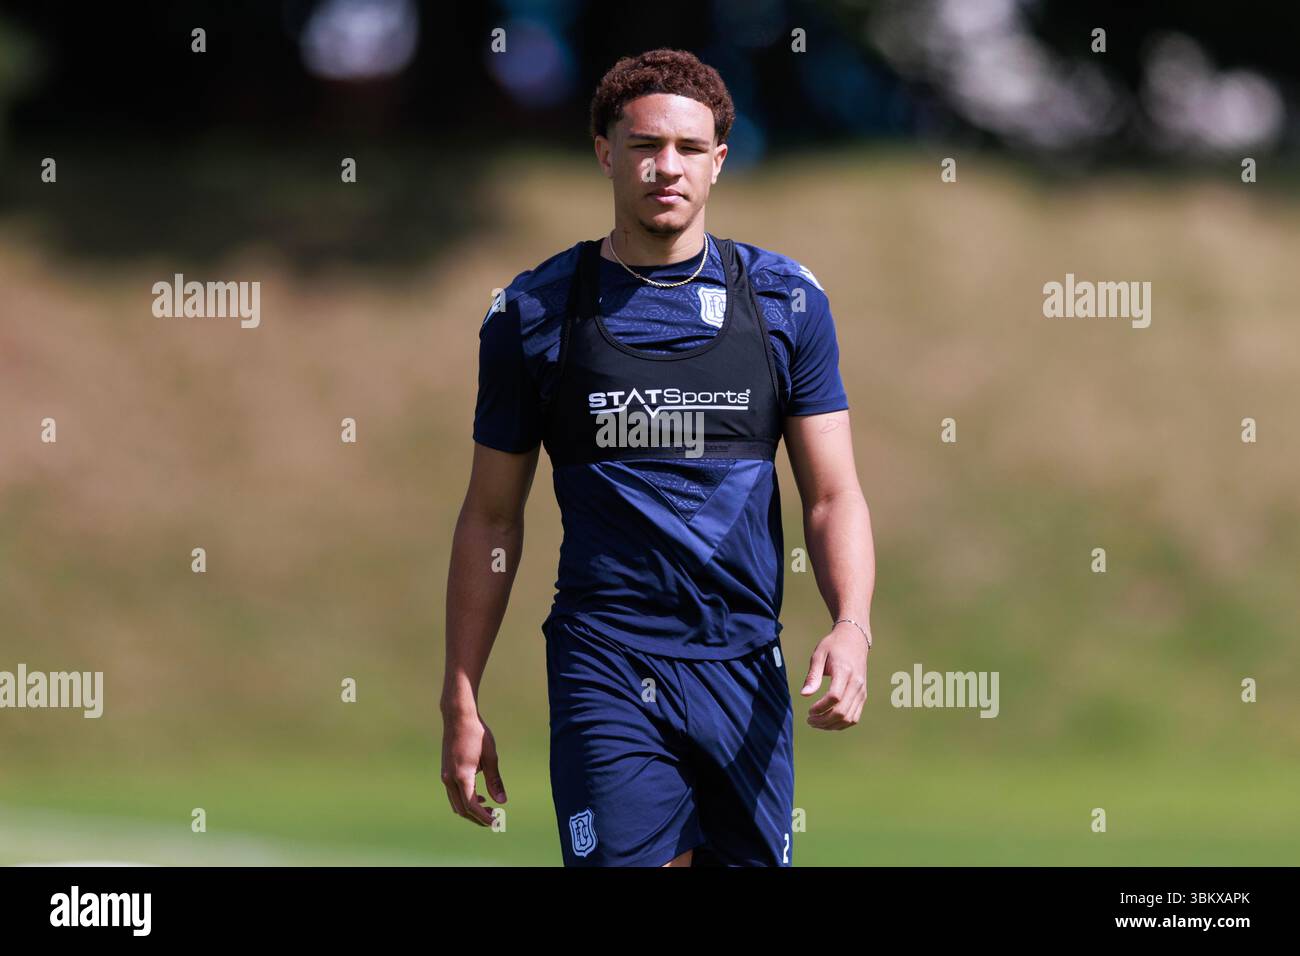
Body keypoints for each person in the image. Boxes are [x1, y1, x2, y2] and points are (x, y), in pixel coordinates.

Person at [441, 48, 876, 867]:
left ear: (718, 161)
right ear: (607, 154)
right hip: (604, 659)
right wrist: (460, 698)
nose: (664, 167)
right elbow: (491, 516)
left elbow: (832, 496)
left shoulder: (786, 303)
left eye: (686, 148)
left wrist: (851, 625)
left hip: (743, 664)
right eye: (644, 146)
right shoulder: (533, 312)